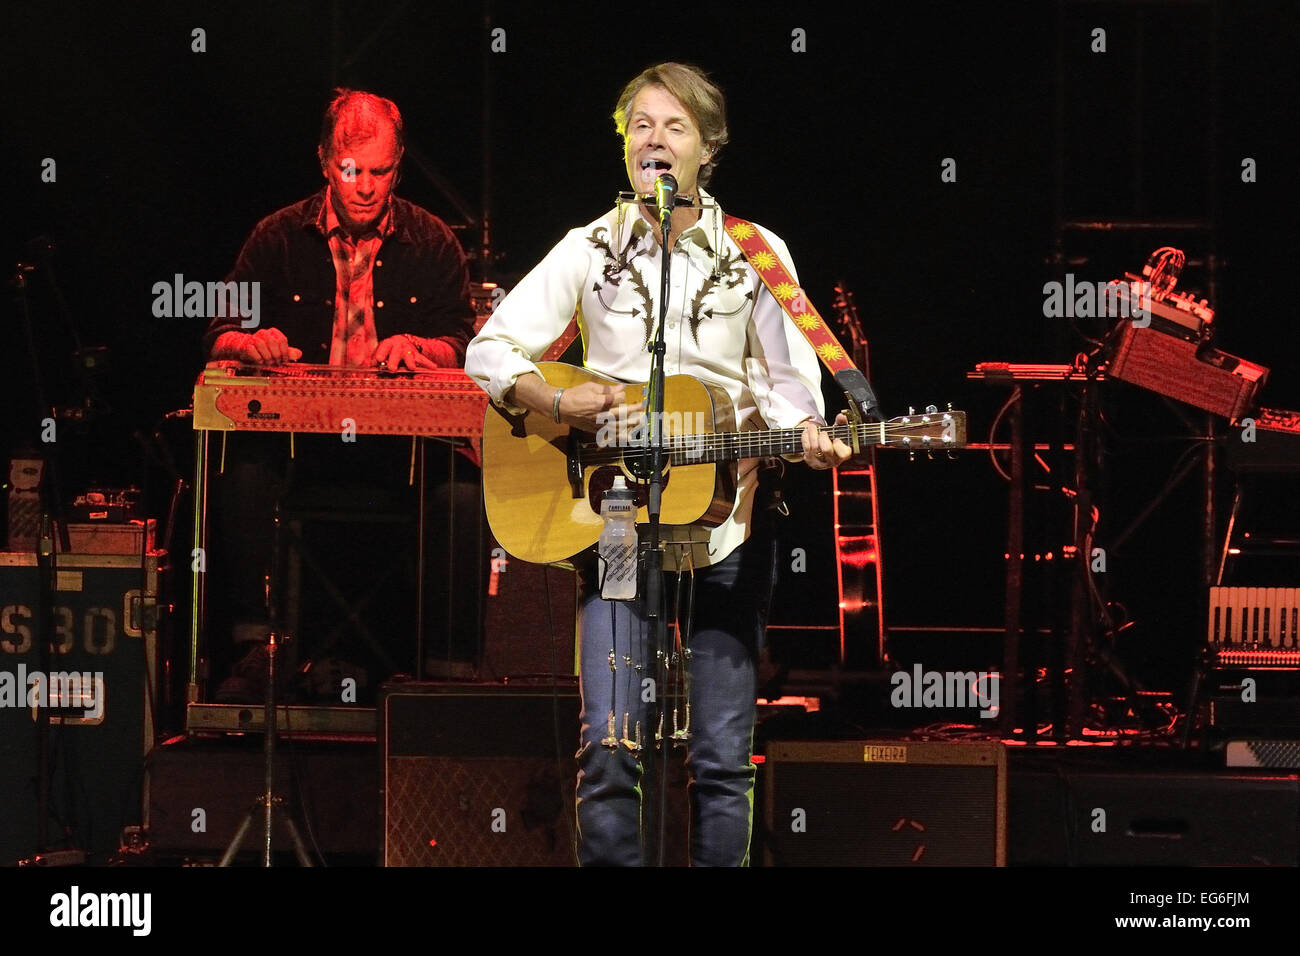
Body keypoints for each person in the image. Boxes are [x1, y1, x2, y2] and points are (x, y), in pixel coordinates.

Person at [465, 62, 852, 865]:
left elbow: (790, 384)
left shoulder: (757, 251)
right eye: (640, 125)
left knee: (719, 760)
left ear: (709, 148)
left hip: (728, 523)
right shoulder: (590, 246)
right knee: (609, 747)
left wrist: (807, 432)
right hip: (612, 520)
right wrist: (555, 400)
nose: (655, 140)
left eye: (674, 127)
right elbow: (489, 348)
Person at [202, 89, 481, 700]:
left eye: (381, 172)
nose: (366, 187)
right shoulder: (276, 237)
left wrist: (421, 349)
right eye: (351, 171)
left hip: (397, 453)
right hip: (299, 448)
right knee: (242, 465)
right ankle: (255, 652)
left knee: (462, 489)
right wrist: (248, 342)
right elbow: (215, 330)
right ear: (325, 161)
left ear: (398, 168)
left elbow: (462, 341)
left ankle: (449, 679)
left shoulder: (432, 242)